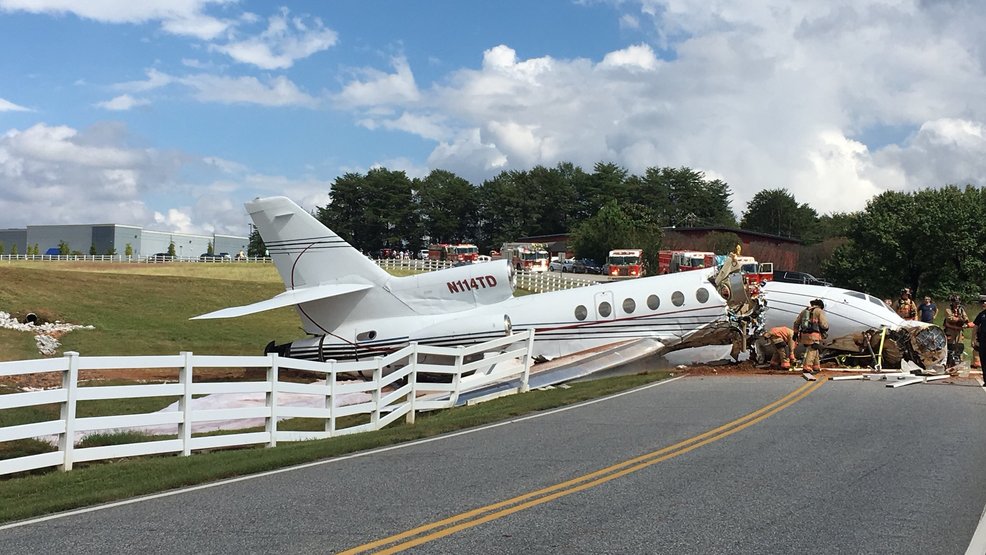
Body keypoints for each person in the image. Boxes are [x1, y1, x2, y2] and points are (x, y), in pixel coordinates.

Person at [794, 299, 829, 373]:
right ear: (820, 305)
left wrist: (795, 333)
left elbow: (796, 322)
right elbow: (823, 324)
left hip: (804, 334)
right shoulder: (819, 311)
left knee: (815, 349)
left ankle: (816, 367)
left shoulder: (804, 311)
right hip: (814, 335)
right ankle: (807, 367)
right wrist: (826, 328)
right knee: (813, 349)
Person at [943, 294, 971, 368]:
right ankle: (948, 362)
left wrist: (964, 320)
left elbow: (966, 318)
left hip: (959, 331)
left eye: (958, 302)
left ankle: (959, 362)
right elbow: (950, 318)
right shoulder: (948, 309)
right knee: (950, 346)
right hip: (950, 331)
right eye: (955, 302)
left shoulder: (961, 309)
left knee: (959, 346)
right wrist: (959, 319)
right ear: (952, 302)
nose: (957, 304)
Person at [973, 295, 986, 373]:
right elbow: (976, 326)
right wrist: (973, 339)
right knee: (983, 360)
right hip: (983, 340)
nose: (984, 303)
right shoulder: (981, 314)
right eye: (983, 302)